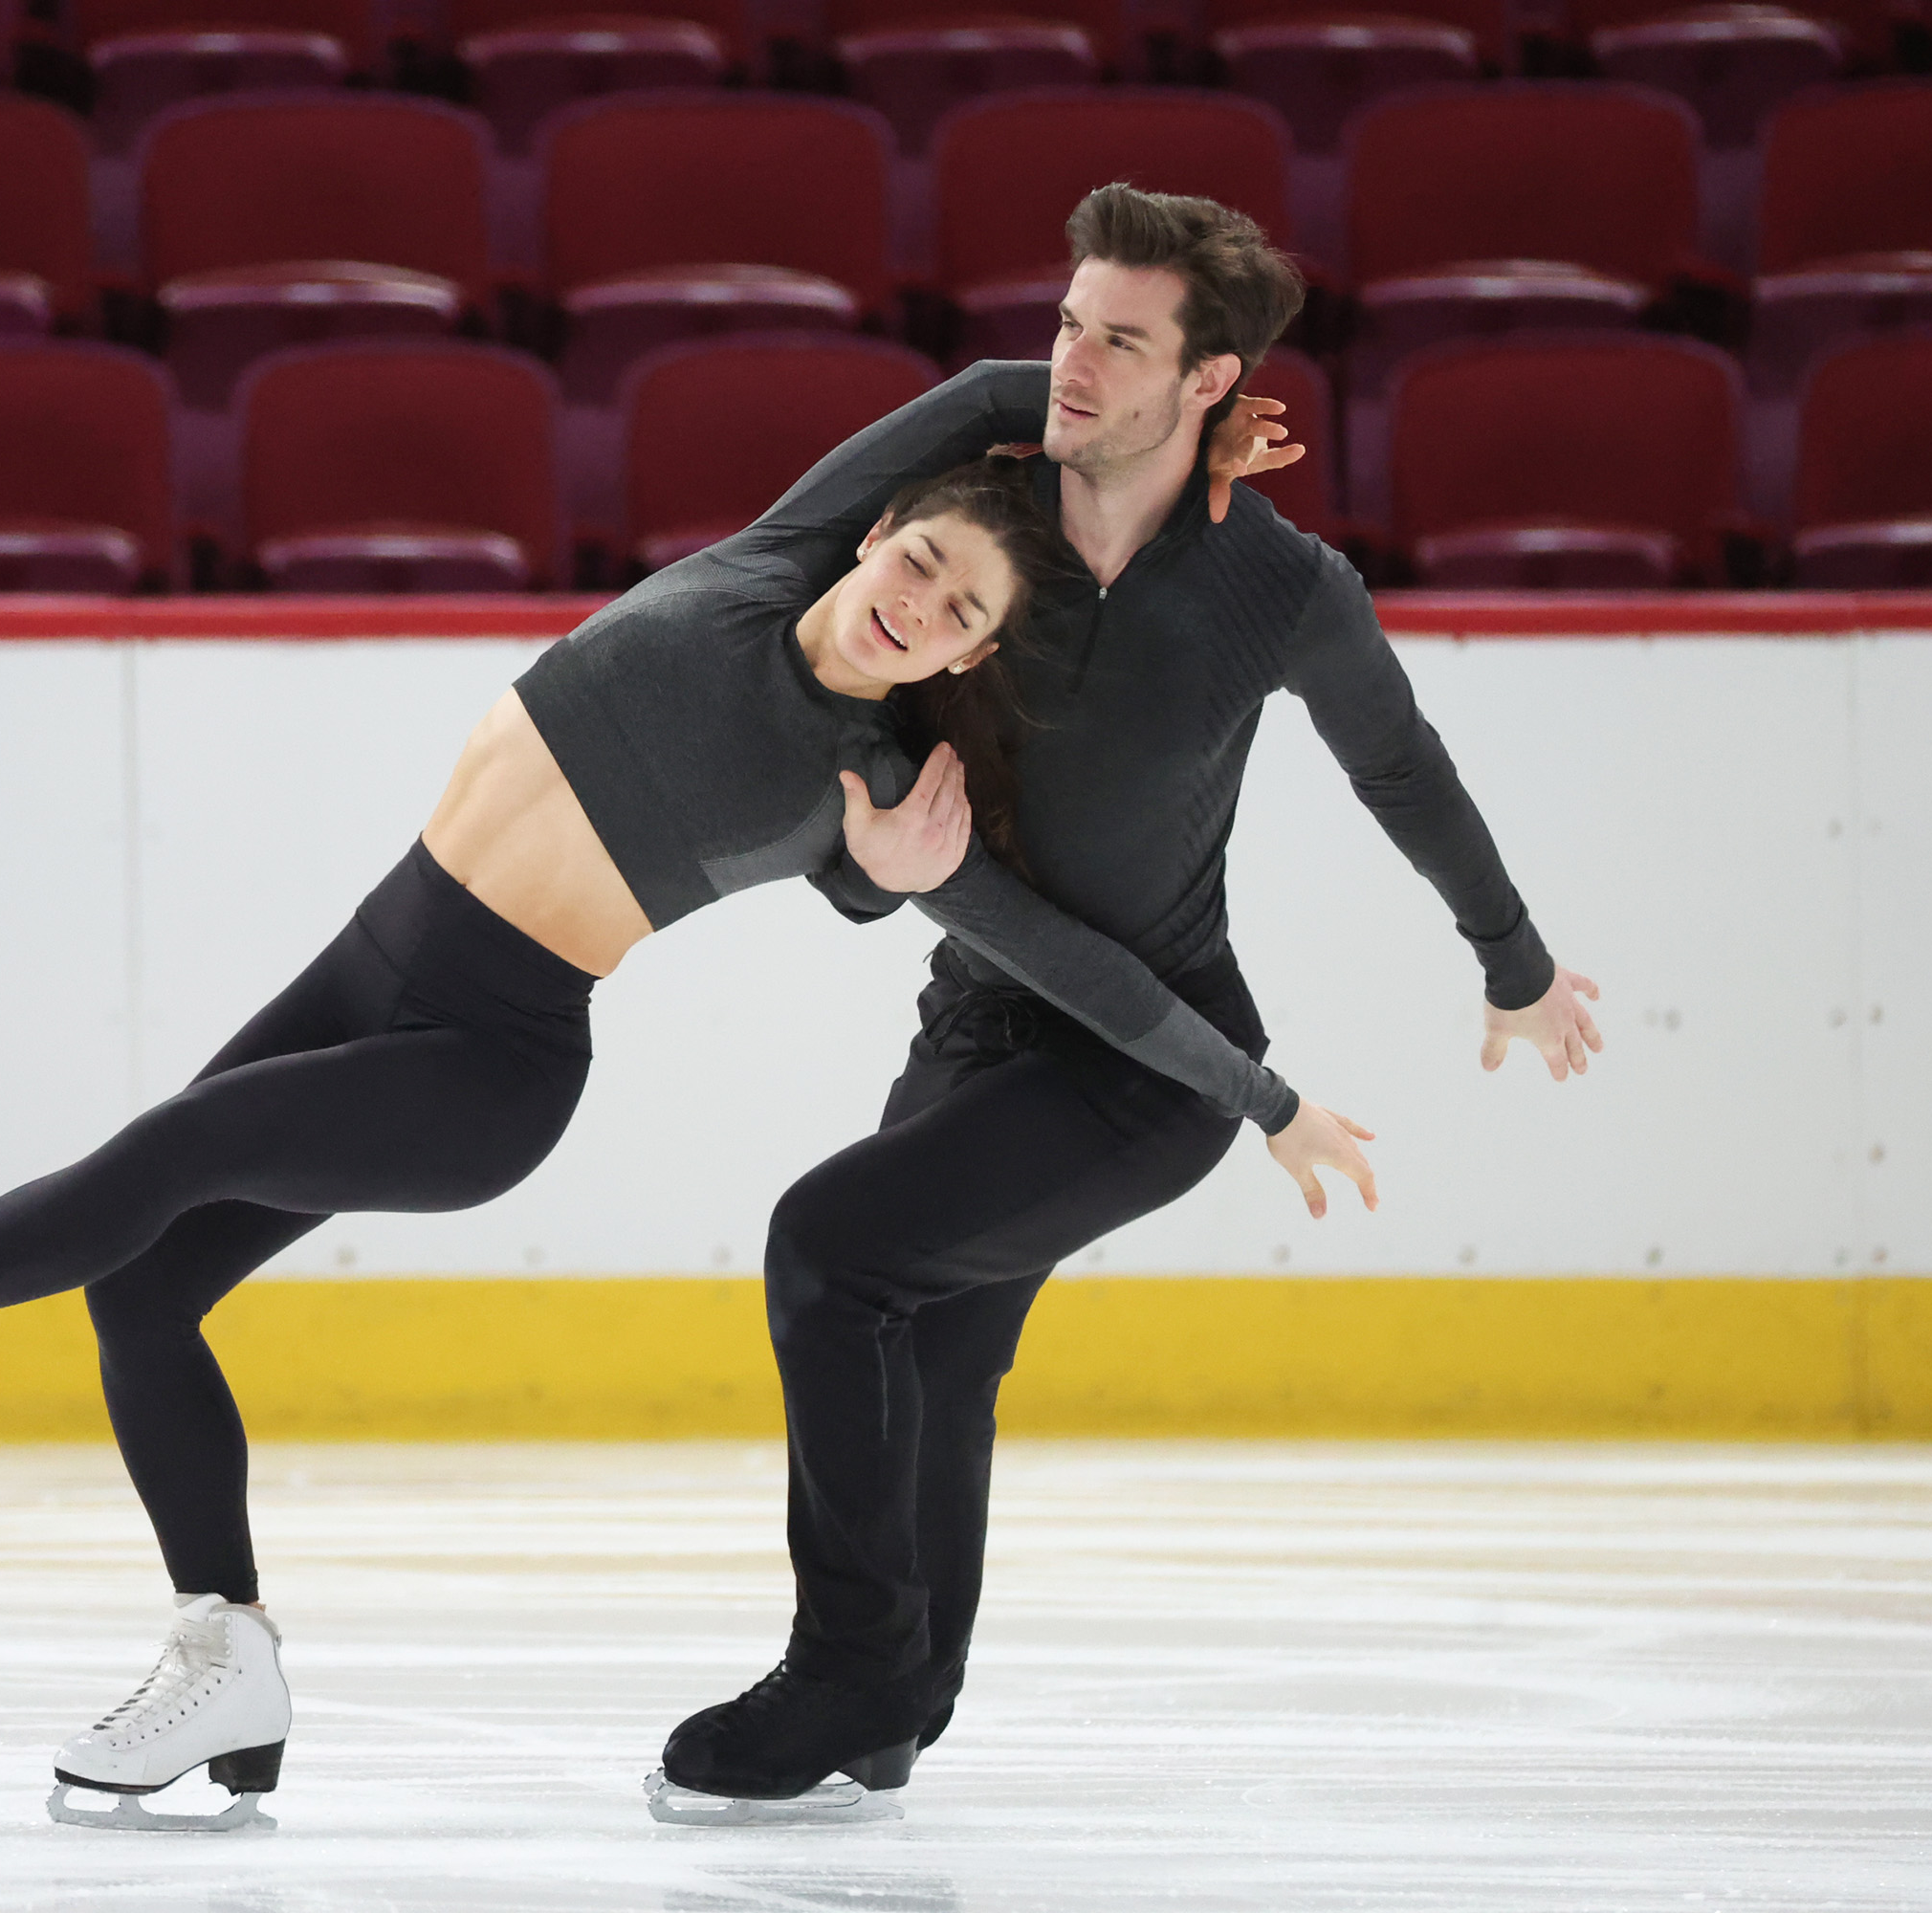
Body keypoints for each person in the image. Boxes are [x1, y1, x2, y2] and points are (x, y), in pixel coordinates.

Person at [0, 439, 1367, 1832]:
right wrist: (1152, 434)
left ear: (969, 656)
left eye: (964, 615)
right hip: (369, 965)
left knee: (157, 1168)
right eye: (922, 562)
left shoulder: (881, 789)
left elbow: (1076, 965)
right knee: (145, 1289)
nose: (924, 607)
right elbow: (981, 402)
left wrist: (1263, 1097)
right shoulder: (760, 561)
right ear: (876, 529)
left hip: (483, 1064)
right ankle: (224, 1656)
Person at [654, 185, 1609, 1815]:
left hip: (1153, 1057)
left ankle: (848, 1667)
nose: (1074, 364)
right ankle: (895, 1706)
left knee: (833, 1250)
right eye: (1066, 327)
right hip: (981, 1009)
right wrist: (867, 872)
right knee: (929, 1350)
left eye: (1121, 341)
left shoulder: (1277, 585)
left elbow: (1398, 764)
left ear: (1213, 380)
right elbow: (843, 708)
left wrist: (1512, 961)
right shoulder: (977, 520)